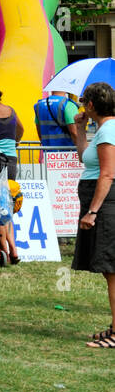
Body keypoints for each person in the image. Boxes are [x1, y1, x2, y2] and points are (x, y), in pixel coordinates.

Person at [72, 82, 115, 347]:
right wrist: (79, 129)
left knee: (111, 269)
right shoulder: (102, 129)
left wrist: (93, 211)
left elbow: (108, 173)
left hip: (105, 203)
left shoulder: (109, 129)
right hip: (99, 200)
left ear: (90, 105)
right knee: (108, 269)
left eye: (83, 102)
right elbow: (84, 158)